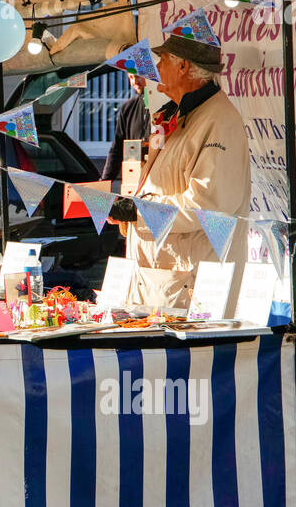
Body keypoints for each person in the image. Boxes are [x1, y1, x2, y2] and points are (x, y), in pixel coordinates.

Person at [107, 36, 250, 309]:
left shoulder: (219, 121)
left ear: (184, 66)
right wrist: (128, 211)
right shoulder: (179, 115)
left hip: (192, 290)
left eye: (162, 61)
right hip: (162, 283)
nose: (155, 67)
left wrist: (137, 211)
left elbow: (207, 205)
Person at [101, 71, 151, 182]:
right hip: (133, 180)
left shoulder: (165, 105)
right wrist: (104, 183)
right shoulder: (127, 108)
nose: (134, 82)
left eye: (138, 76)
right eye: (131, 77)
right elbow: (117, 148)